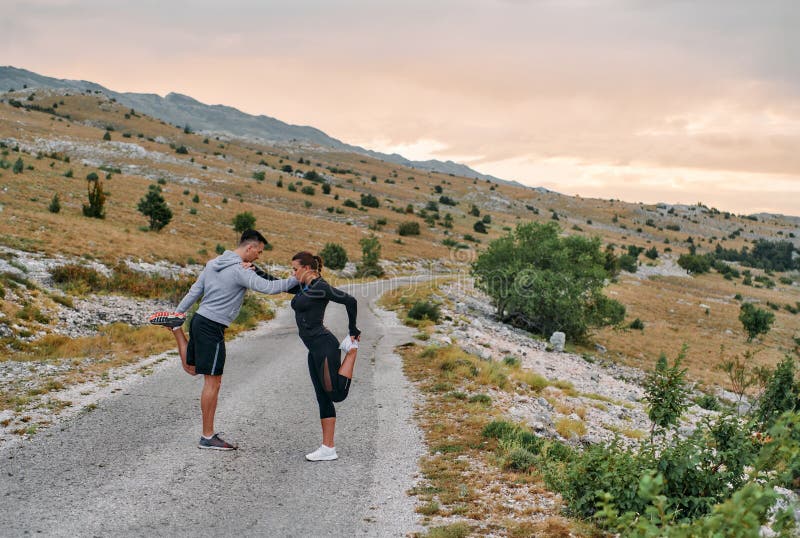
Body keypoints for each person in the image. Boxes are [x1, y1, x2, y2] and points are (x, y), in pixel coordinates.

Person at [150, 230, 298, 451]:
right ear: (249, 248)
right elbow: (269, 288)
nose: (258, 256)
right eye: (259, 252)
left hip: (199, 321)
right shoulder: (240, 270)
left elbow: (194, 291)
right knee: (213, 382)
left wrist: (179, 313)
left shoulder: (213, 263)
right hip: (212, 327)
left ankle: (177, 327)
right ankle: (207, 436)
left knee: (192, 368)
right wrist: (296, 278)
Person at [286, 251, 360, 461]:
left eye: (295, 268)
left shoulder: (321, 287)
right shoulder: (303, 286)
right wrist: (255, 271)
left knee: (336, 394)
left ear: (307, 268)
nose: (293, 272)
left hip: (324, 345)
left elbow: (350, 301)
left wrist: (353, 329)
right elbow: (275, 284)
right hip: (314, 349)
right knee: (322, 397)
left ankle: (352, 352)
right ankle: (328, 448)